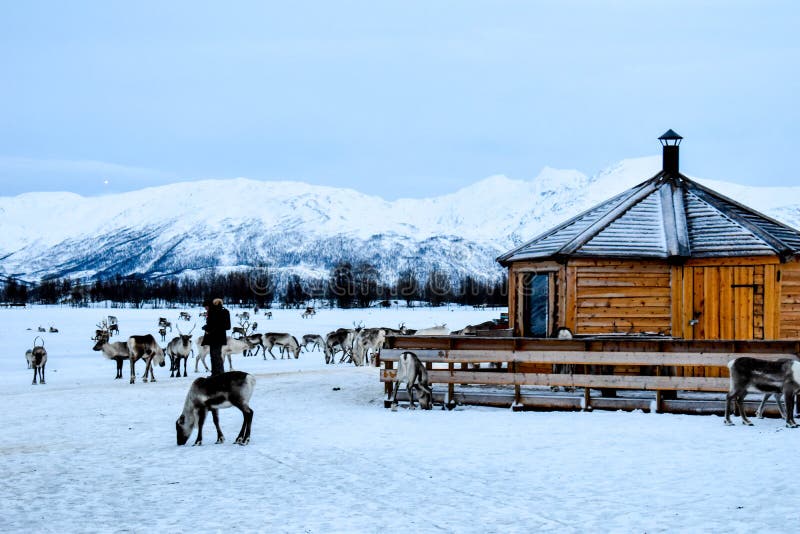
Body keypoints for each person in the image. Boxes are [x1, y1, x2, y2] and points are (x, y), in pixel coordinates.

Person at [202, 297, 231, 376]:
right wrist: (207, 327)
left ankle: (219, 374)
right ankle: (216, 374)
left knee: (216, 356)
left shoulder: (215, 312)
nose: (205, 309)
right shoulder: (222, 311)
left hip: (215, 337)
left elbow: (217, 325)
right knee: (215, 356)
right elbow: (226, 326)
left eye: (206, 307)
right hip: (217, 338)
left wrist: (208, 328)